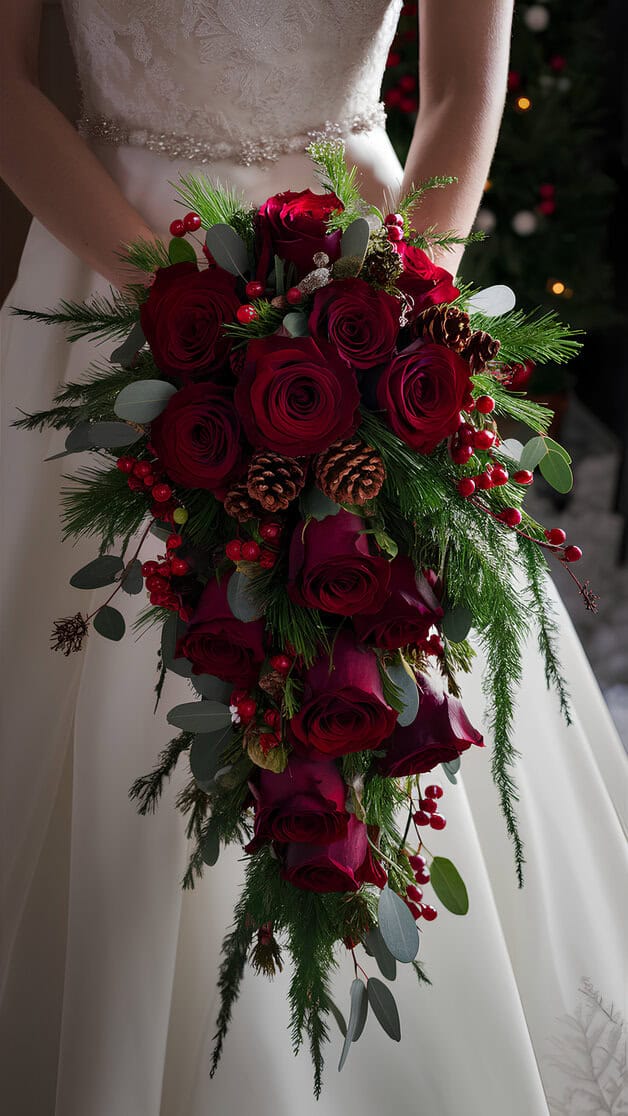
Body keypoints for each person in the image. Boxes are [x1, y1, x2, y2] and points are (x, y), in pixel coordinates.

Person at [0, 2, 626, 1114]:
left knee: (374, 673)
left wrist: (391, 318)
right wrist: (180, 304)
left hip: (359, 273)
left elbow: (458, 95)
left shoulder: (378, 303)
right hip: (107, 276)